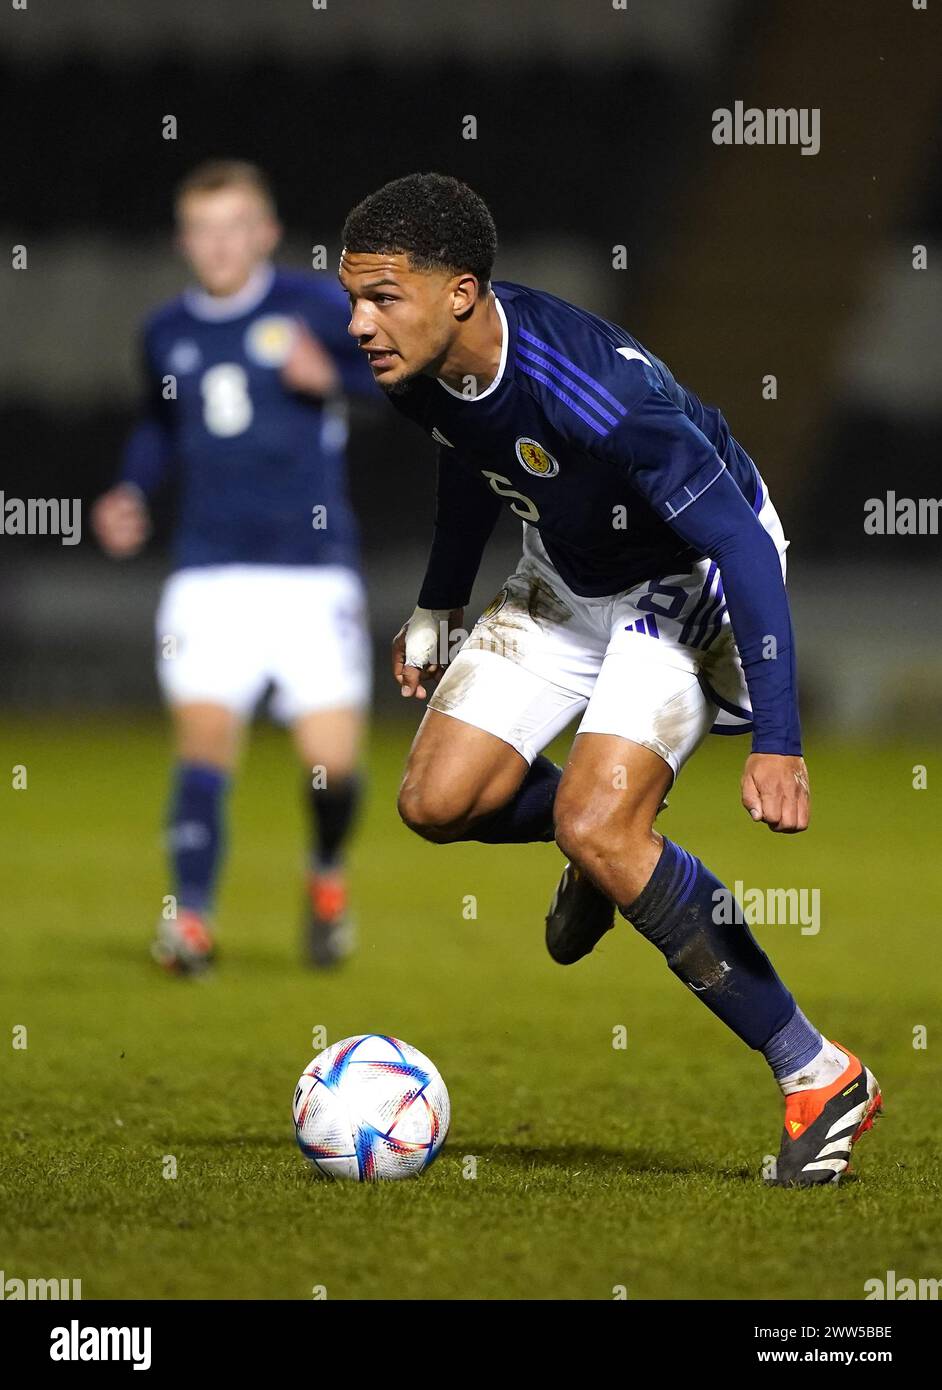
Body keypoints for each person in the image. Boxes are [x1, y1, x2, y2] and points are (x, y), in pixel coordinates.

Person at [337, 171, 882, 1186]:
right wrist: (441, 604)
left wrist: (779, 737)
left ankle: (819, 1070)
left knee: (601, 822)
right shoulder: (417, 369)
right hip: (566, 571)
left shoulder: (598, 388)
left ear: (460, 291)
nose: (361, 323)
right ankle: (603, 843)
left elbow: (741, 544)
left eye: (382, 296)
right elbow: (469, 455)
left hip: (686, 578)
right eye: (351, 298)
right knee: (438, 801)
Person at [93, 160, 376, 973]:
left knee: (334, 768)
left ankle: (325, 875)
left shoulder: (316, 307)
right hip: (208, 575)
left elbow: (400, 381)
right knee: (205, 746)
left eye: (235, 227)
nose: (219, 244)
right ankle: (192, 921)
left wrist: (339, 378)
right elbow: (157, 423)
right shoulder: (165, 330)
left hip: (313, 572)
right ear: (186, 240)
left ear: (266, 233)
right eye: (203, 230)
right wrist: (131, 490)